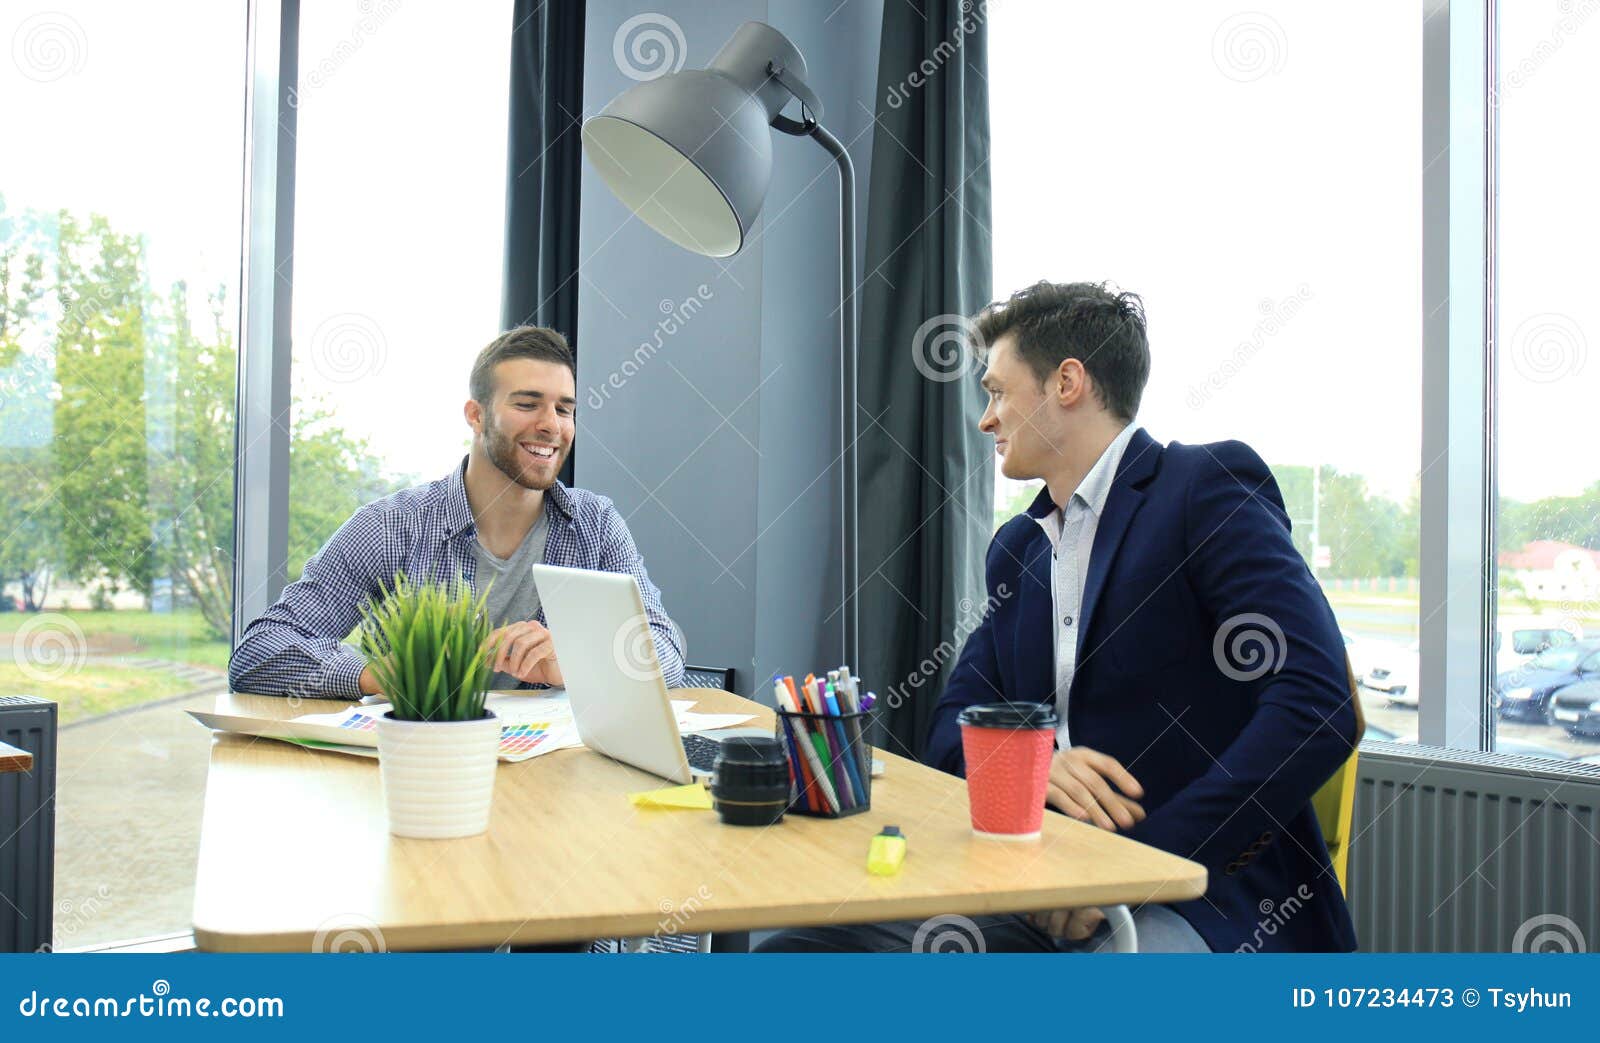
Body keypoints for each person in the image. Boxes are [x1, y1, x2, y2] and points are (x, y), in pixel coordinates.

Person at [757, 281, 1358, 953]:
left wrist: (1136, 869)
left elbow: (1321, 703)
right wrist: (1035, 764)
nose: (985, 420)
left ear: (1067, 381)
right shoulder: (1018, 551)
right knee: (799, 952)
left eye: (997, 391)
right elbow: (950, 735)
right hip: (1037, 880)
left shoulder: (1202, 490)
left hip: (1198, 893)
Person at [229, 325, 686, 699]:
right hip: (421, 763)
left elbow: (666, 652)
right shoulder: (391, 527)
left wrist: (573, 663)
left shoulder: (595, 526)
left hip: (553, 769)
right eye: (527, 404)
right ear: (476, 415)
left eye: (564, 409)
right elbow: (258, 653)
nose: (551, 424)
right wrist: (385, 675)